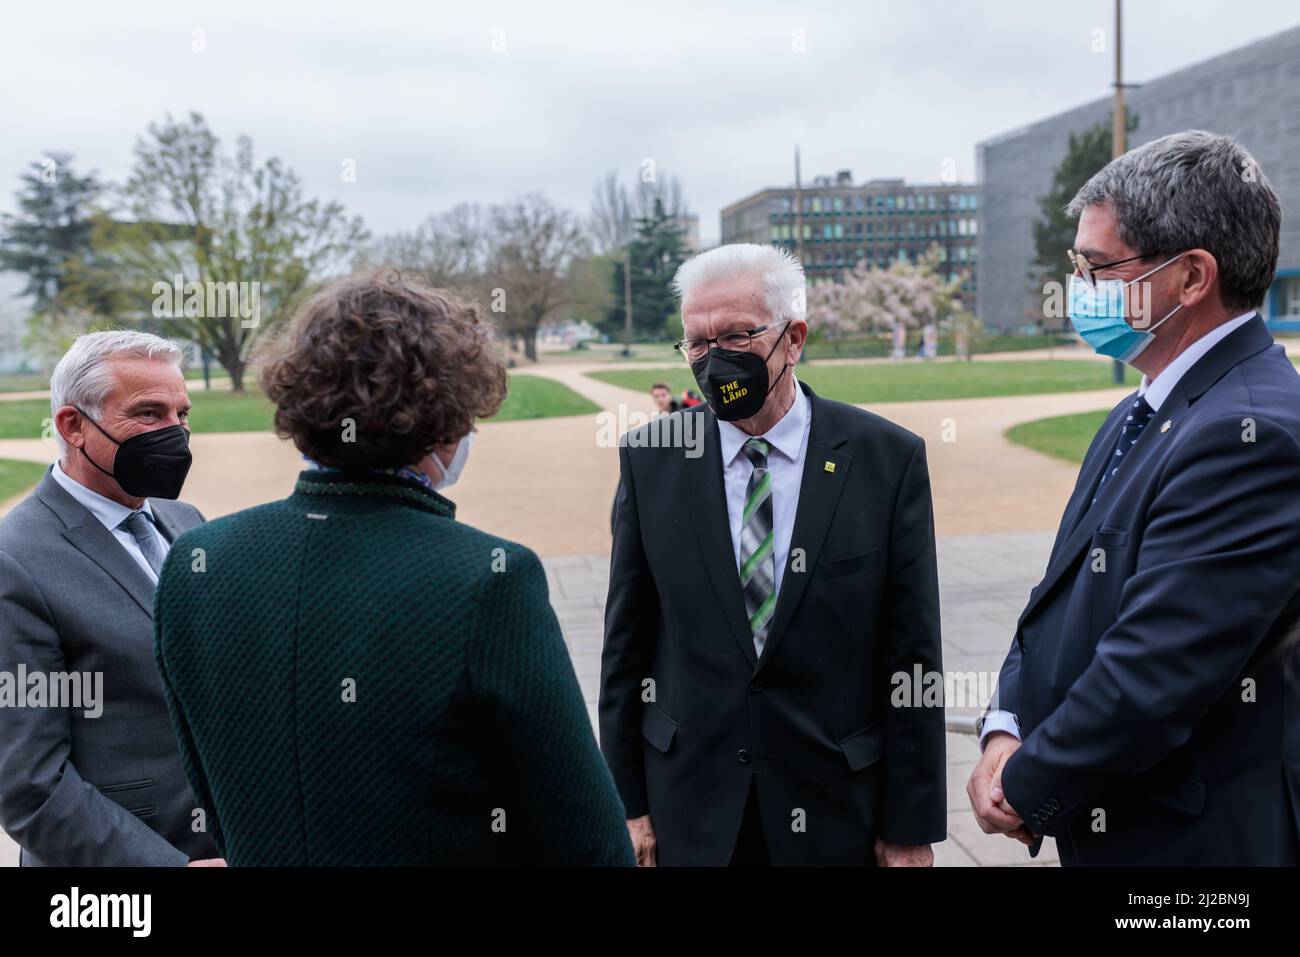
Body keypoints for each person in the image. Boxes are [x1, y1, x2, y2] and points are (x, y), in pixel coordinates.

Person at [153, 271, 635, 866]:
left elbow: (215, 800)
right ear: (451, 418)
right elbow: (585, 836)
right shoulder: (488, 578)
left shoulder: (197, 563)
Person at [968, 131, 1300, 865]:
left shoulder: (1251, 434)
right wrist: (1005, 724)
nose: (1078, 288)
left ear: (1190, 277)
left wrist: (1023, 783)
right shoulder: (1140, 408)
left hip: (1195, 852)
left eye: (1098, 267)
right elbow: (1055, 598)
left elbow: (1154, 672)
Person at [600, 243, 946, 866]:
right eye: (697, 344)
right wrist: (626, 805)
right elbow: (626, 648)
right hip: (691, 808)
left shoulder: (886, 460)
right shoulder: (649, 460)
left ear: (794, 339)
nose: (715, 360)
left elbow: (913, 654)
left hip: (837, 805)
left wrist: (910, 825)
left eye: (736, 335)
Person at [0, 330, 221, 866]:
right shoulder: (14, 561)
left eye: (181, 414)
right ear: (73, 426)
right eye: (149, 414)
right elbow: (30, 784)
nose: (176, 433)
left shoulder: (183, 520)